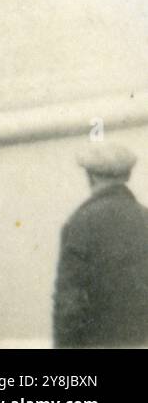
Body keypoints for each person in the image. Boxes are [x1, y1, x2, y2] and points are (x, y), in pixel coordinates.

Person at [52, 143, 148, 348]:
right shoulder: (145, 218)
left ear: (91, 177)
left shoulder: (81, 222)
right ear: (127, 176)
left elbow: (69, 300)